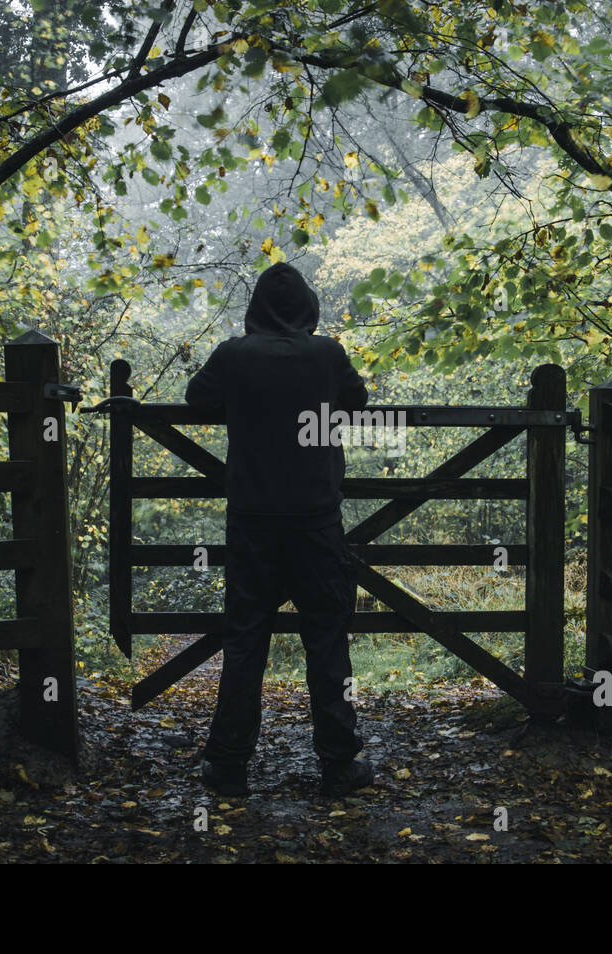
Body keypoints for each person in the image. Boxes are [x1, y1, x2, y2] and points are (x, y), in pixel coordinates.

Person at [185, 261, 374, 798]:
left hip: (252, 521)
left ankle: (227, 766)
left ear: (257, 308)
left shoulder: (233, 355)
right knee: (328, 640)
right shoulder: (327, 354)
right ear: (308, 306)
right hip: (315, 519)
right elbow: (357, 400)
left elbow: (197, 397)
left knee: (245, 640)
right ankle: (339, 763)